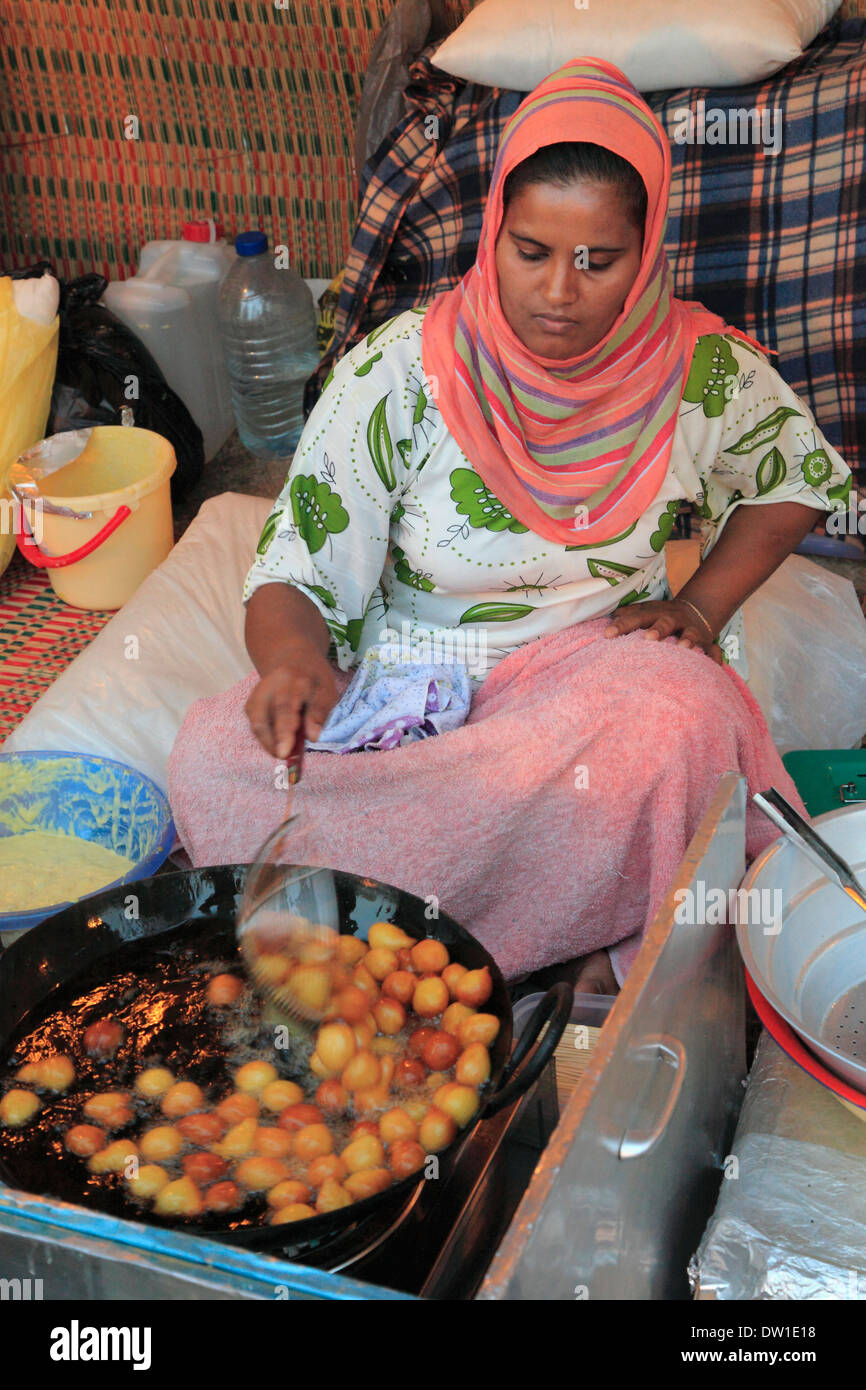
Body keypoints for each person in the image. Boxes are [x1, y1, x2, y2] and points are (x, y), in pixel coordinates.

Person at [169, 57, 850, 993]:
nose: (559, 293)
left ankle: (425, 934)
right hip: (410, 694)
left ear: (646, 253)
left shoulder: (698, 368)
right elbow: (296, 566)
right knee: (213, 757)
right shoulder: (404, 370)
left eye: (597, 261)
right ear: (493, 233)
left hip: (590, 690)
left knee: (684, 717)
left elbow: (797, 481)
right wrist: (294, 662)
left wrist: (697, 610)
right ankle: (550, 930)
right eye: (530, 251)